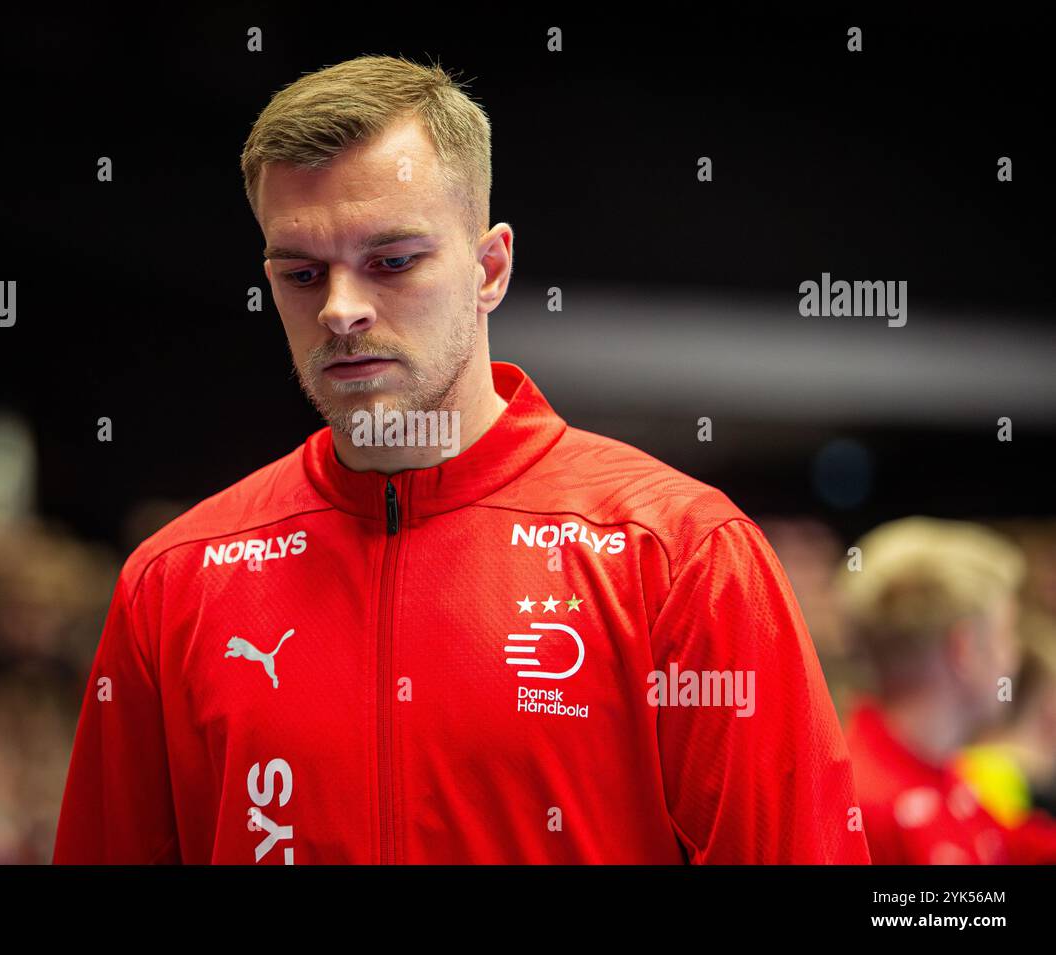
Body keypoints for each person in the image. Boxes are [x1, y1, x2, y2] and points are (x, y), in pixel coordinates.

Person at [52, 54, 869, 864]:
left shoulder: (679, 555)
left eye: (392, 261)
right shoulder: (175, 581)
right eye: (301, 273)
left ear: (491, 268)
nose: (340, 309)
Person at [838, 517, 1056, 863]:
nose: (1013, 659)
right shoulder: (867, 807)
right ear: (965, 650)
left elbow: (1019, 846)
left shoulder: (943, 779)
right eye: (1006, 635)